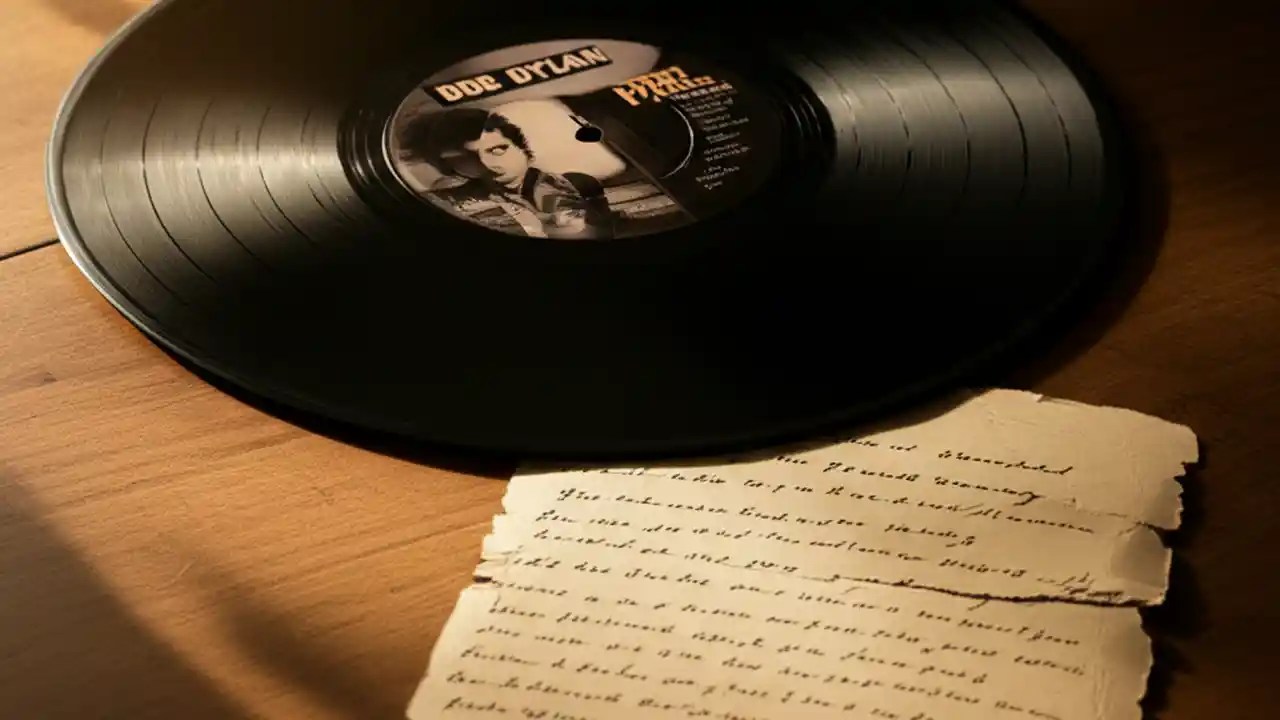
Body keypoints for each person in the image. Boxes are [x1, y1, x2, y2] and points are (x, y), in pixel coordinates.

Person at [397, 107, 614, 239]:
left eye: (496, 149)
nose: (486, 163)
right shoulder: (445, 201)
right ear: (448, 165)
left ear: (520, 146)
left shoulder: (565, 185)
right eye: (465, 157)